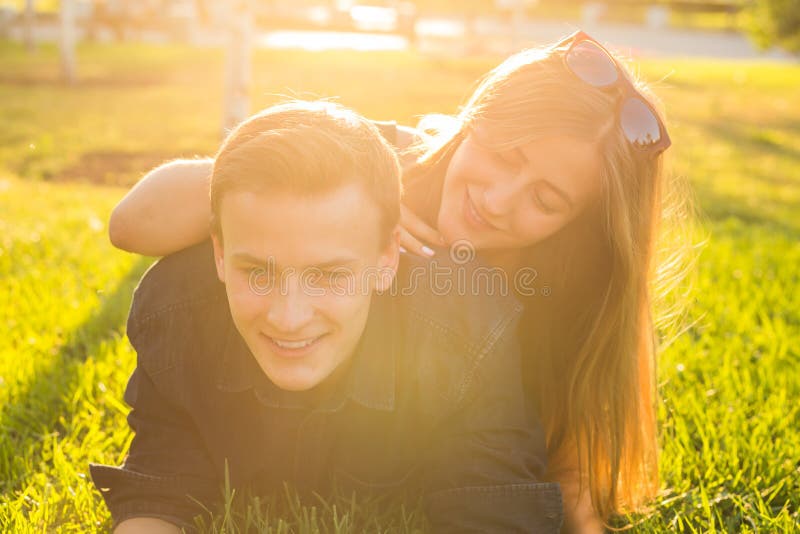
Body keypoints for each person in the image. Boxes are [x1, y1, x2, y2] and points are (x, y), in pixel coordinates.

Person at [106, 31, 692, 531]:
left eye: (546, 199)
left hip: (446, 448)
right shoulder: (388, 159)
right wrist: (356, 177)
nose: (496, 198)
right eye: (506, 156)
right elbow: (133, 224)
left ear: (575, 223)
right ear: (475, 120)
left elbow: (565, 457)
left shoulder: (560, 289)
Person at [90, 100, 564, 533]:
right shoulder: (180, 311)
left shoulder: (462, 331)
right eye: (257, 271)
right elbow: (158, 485)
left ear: (387, 258)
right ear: (218, 253)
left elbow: (491, 512)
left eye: (330, 275)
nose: (289, 317)